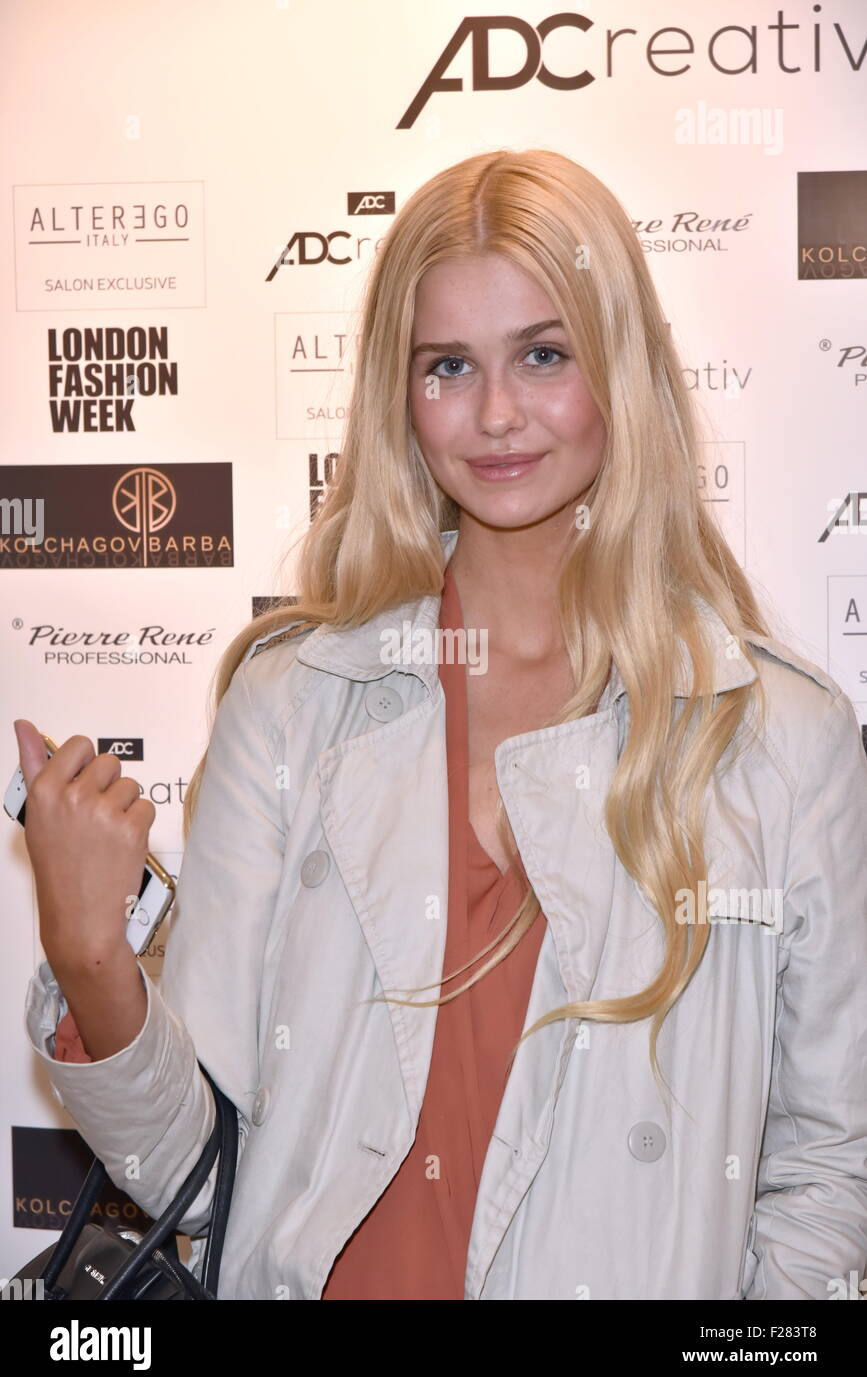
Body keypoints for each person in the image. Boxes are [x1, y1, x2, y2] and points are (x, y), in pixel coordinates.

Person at [15, 148, 867, 1301]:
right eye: (449, 365)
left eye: (546, 354)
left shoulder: (781, 740)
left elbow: (828, 1170)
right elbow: (193, 1173)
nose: (498, 413)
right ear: (398, 395)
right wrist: (88, 951)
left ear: (624, 366)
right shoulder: (295, 705)